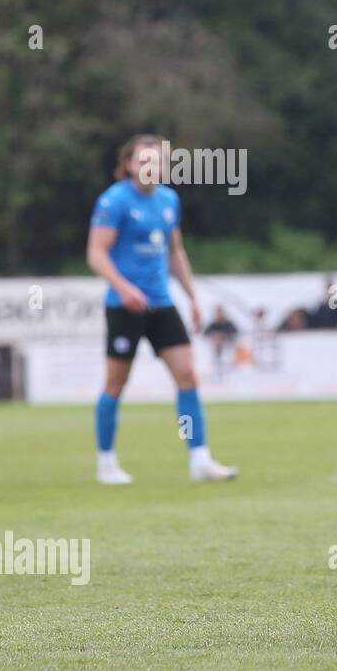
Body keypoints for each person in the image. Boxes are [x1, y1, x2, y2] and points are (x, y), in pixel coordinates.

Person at [86, 134, 238, 484]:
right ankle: (106, 463)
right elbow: (96, 253)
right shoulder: (114, 201)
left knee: (187, 375)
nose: (149, 168)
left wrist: (192, 297)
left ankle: (199, 458)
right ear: (128, 165)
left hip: (162, 305)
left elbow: (175, 253)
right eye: (142, 161)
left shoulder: (169, 200)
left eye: (156, 162)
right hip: (124, 307)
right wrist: (124, 288)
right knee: (115, 384)